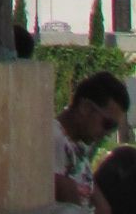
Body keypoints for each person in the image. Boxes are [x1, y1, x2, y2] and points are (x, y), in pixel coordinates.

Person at [53, 69, 130, 204]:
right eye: (108, 124)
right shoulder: (51, 139)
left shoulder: (78, 143)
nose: (108, 133)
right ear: (85, 108)